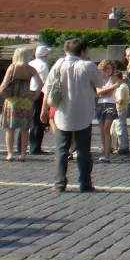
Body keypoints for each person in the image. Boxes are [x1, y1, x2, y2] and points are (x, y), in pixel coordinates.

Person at [40, 38, 104, 193]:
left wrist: (44, 110)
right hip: (84, 112)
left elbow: (48, 89)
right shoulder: (87, 66)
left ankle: (59, 183)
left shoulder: (58, 65)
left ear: (66, 50)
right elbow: (100, 82)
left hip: (63, 112)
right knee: (83, 150)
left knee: (61, 149)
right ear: (83, 51)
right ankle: (85, 183)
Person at [0, 46, 42, 162]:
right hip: (26, 101)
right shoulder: (31, 69)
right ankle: (23, 154)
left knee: (10, 129)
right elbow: (41, 83)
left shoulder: (12, 68)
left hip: (12, 100)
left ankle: (10, 154)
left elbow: (3, 84)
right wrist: (36, 95)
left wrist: (4, 92)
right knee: (24, 129)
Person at [93, 59, 121, 163]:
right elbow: (98, 92)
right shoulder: (98, 79)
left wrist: (104, 91)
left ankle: (107, 154)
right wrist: (113, 87)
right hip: (100, 105)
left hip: (110, 104)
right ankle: (105, 150)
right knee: (101, 130)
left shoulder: (113, 78)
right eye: (107, 68)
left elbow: (108, 94)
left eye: (111, 68)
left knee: (106, 129)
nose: (109, 70)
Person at [29, 46, 51, 155]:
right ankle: (35, 147)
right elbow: (46, 82)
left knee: (28, 119)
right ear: (45, 54)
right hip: (39, 93)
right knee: (38, 121)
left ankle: (21, 145)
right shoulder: (44, 65)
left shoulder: (31, 63)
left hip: (29, 92)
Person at [111, 70, 130, 155]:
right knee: (115, 129)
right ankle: (116, 146)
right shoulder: (124, 85)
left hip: (120, 109)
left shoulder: (120, 87)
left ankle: (123, 147)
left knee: (120, 128)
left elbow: (120, 100)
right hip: (122, 109)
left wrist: (112, 99)